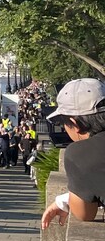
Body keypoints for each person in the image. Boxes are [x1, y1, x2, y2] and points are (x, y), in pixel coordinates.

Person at [41, 79, 105, 227]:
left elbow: (84, 214)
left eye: (62, 122)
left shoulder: (81, 154)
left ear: (75, 124)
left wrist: (64, 201)